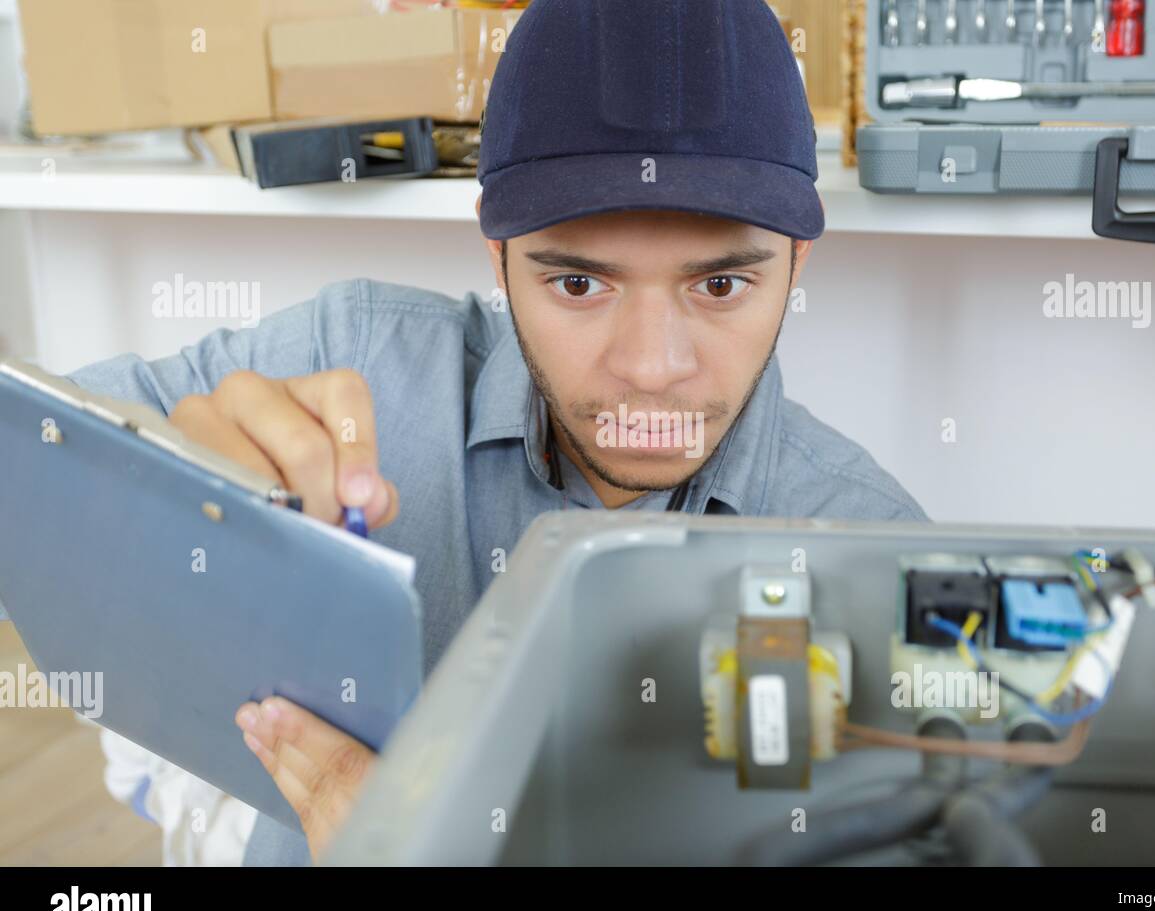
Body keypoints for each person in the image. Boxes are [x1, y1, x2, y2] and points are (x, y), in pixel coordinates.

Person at [60, 0, 926, 865]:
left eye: (722, 286)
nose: (653, 368)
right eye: (580, 286)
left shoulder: (879, 559)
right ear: (498, 256)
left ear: (796, 265)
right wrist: (162, 496)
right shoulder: (360, 358)